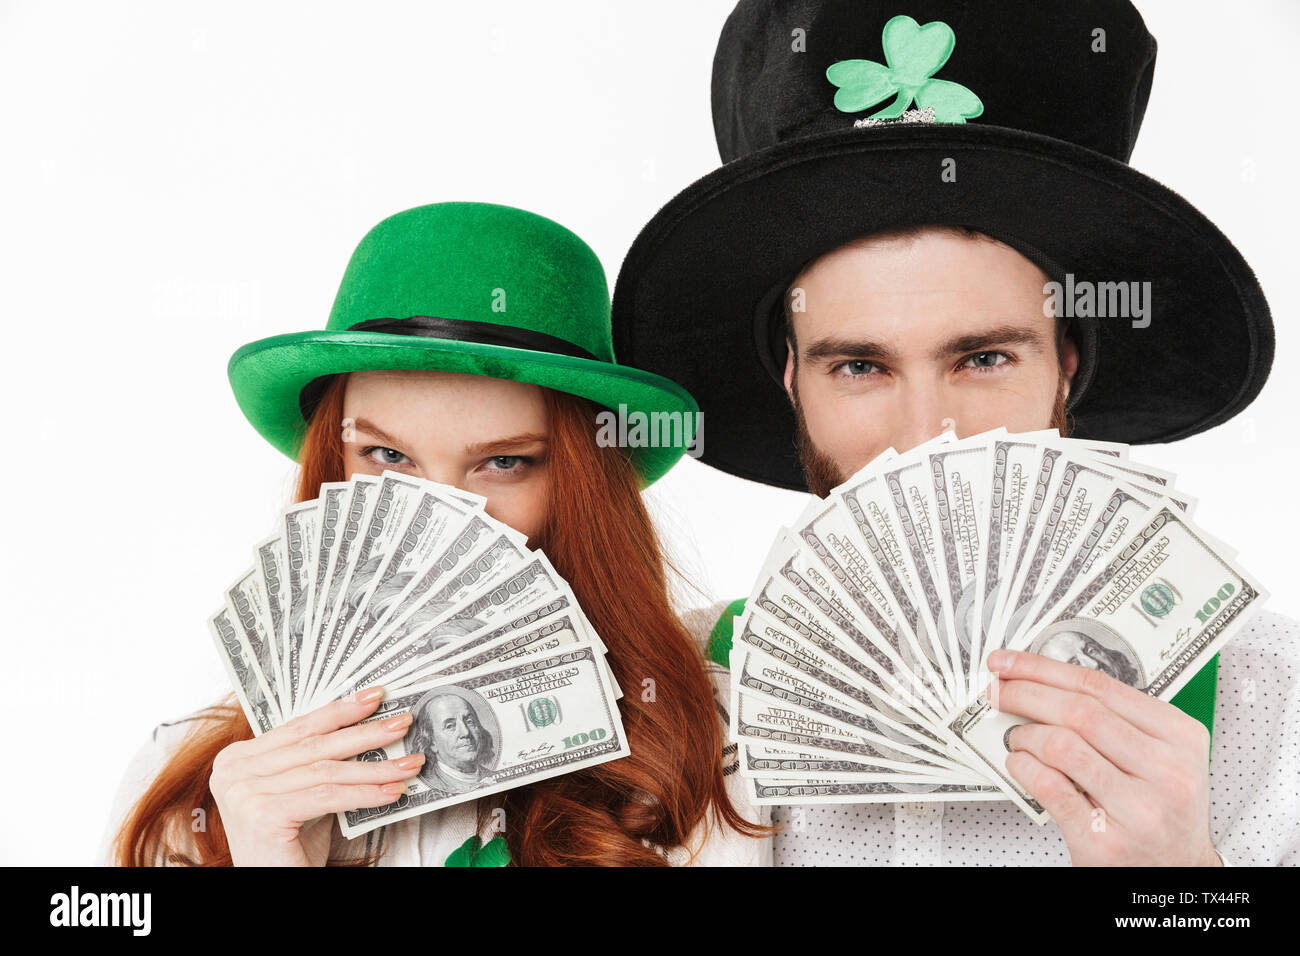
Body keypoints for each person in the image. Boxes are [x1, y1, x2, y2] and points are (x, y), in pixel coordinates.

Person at [611, 0, 1298, 865]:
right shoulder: (666, 700)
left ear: (1068, 363)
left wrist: (1184, 892)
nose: (924, 435)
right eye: (859, 366)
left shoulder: (1275, 704)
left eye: (982, 359)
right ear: (792, 381)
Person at [102, 201, 772, 867]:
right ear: (332, 465)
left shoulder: (721, 750)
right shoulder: (187, 802)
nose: (438, 523)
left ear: (582, 490)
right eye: (387, 457)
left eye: (504, 462)